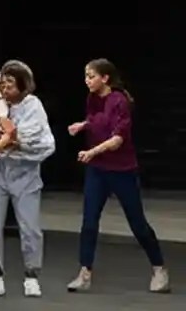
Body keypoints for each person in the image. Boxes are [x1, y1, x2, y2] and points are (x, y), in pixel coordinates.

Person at [66, 58, 170, 294]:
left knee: (137, 223)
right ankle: (85, 272)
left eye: (91, 76)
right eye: (85, 76)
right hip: (97, 170)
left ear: (105, 78)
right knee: (89, 221)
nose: (87, 81)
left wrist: (91, 152)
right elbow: (95, 121)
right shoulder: (92, 98)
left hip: (121, 170)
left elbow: (117, 139)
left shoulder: (120, 101)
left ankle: (159, 268)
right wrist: (82, 126)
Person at [0, 60, 55, 298]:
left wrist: (13, 141)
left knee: (30, 226)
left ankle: (31, 274)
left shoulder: (33, 106)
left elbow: (40, 143)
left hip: (25, 173)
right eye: (3, 84)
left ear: (23, 86)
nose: (6, 90)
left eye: (11, 85)